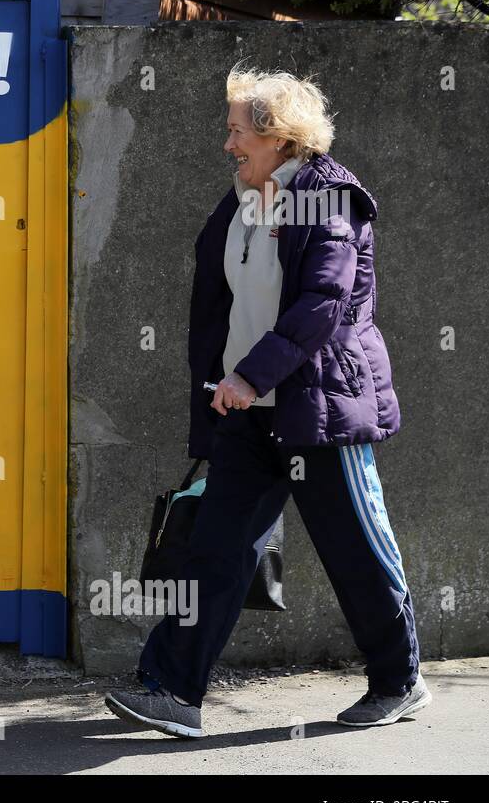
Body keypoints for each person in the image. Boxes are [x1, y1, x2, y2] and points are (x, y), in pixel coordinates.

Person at [104, 66, 426, 738]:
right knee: (213, 552)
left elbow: (324, 305)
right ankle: (175, 692)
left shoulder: (328, 198)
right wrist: (224, 394)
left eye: (236, 131)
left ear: (277, 135)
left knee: (357, 553)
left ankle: (399, 681)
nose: (228, 145)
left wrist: (252, 375)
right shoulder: (243, 201)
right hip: (246, 413)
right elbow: (216, 312)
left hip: (318, 408)